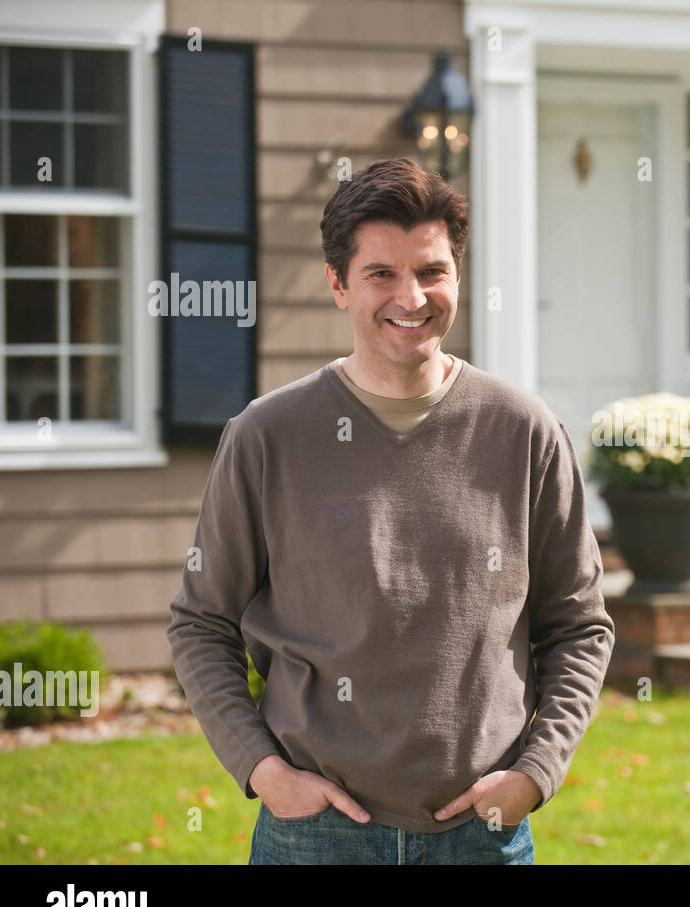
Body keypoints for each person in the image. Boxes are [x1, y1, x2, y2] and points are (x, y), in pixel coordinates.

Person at [167, 158, 615, 865]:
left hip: (482, 835)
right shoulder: (266, 437)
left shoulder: (524, 432)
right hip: (313, 834)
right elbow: (201, 622)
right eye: (382, 273)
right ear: (338, 283)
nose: (412, 297)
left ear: (458, 278)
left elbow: (580, 626)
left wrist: (535, 773)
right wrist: (264, 771)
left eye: (432, 271)